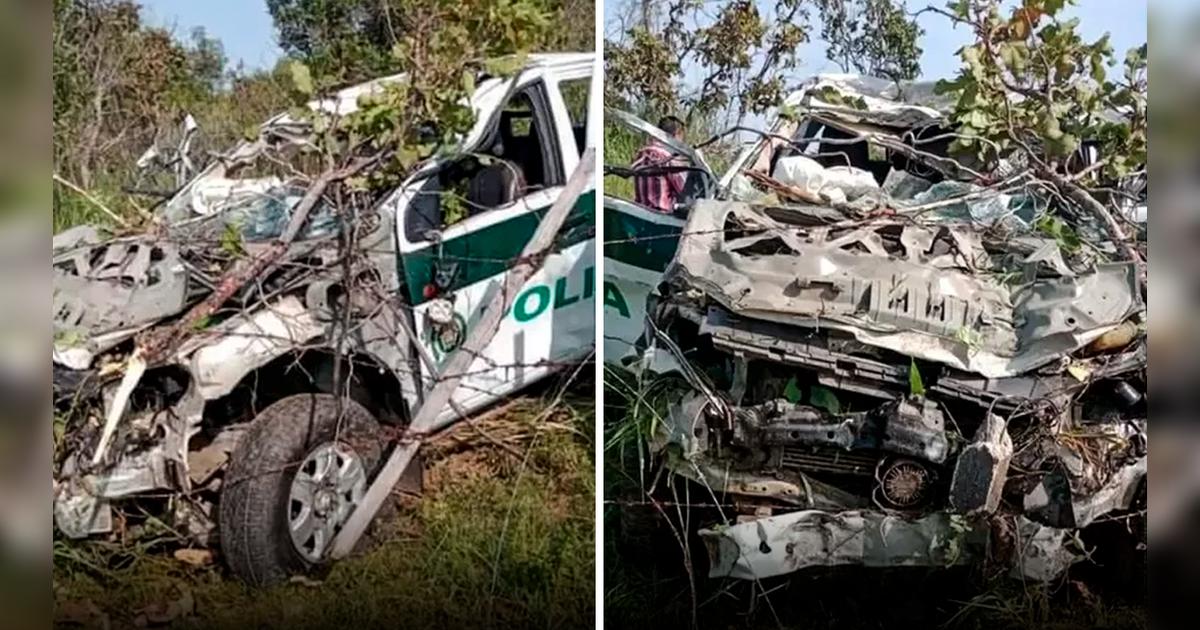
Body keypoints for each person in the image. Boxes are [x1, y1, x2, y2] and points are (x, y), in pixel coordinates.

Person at [632, 116, 687, 213]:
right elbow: (684, 191)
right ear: (676, 135)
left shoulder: (642, 154)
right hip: (662, 213)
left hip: (640, 211)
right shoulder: (668, 157)